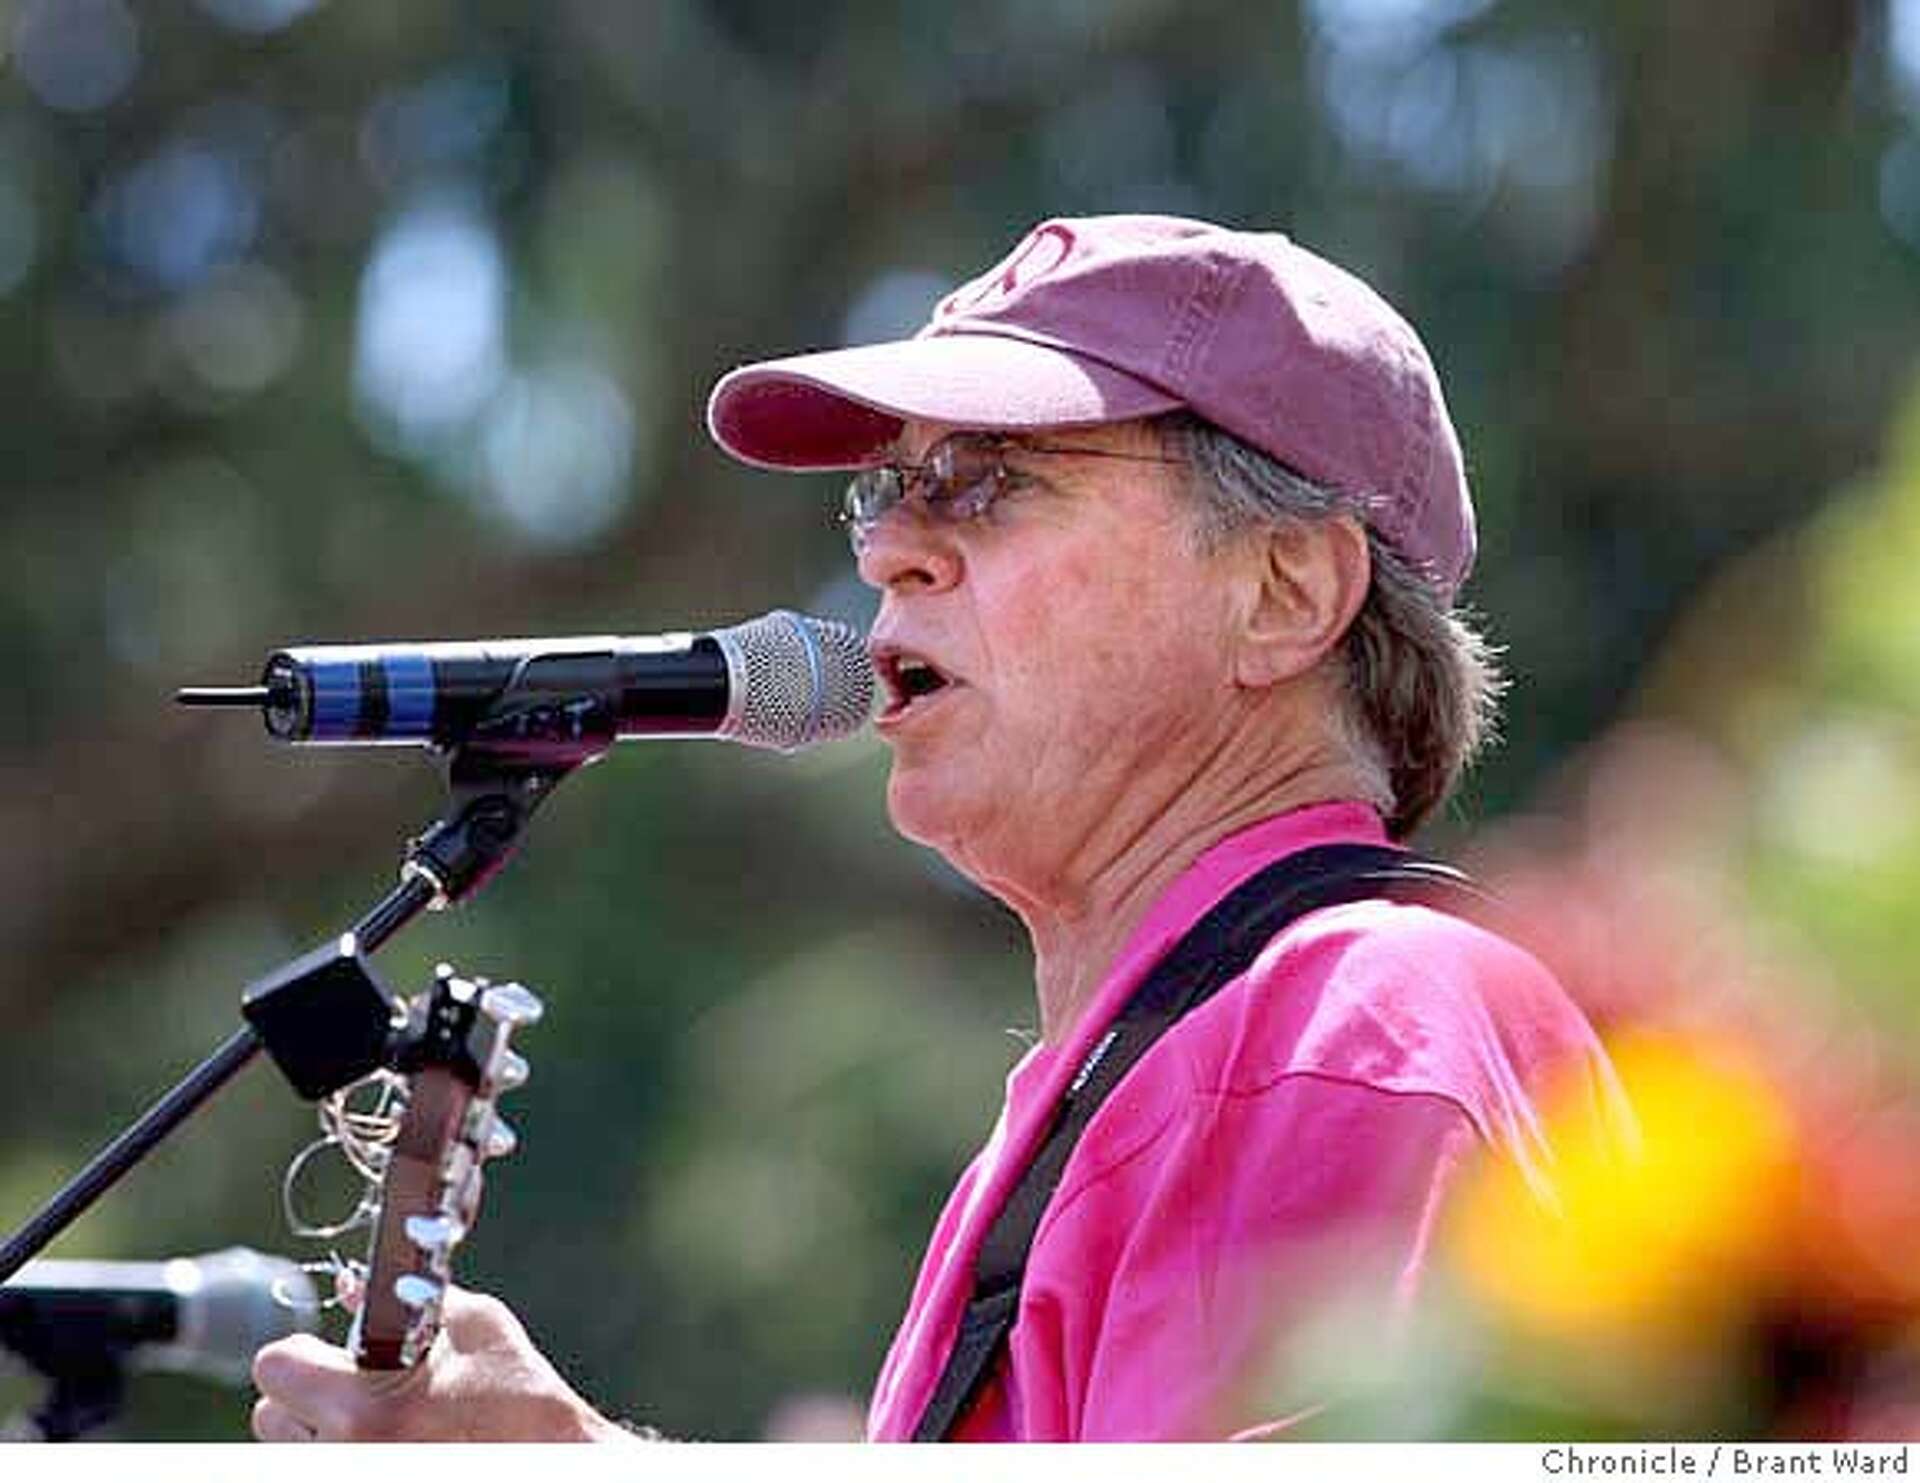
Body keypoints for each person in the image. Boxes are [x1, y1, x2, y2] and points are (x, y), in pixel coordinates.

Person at [251, 214, 1625, 1443]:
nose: (883, 550)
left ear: (1283, 591)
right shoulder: (1180, 1063)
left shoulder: (1346, 1034)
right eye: (884, 489)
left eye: (988, 479)